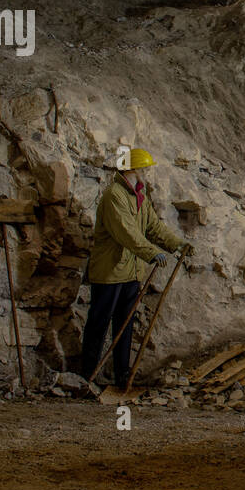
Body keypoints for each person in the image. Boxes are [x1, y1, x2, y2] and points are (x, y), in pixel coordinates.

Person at [79, 148, 193, 388]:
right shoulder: (114, 196)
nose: (146, 173)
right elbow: (126, 233)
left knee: (125, 325)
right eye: (143, 169)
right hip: (110, 273)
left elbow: (153, 226)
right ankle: (86, 375)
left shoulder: (139, 196)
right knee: (99, 324)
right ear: (131, 170)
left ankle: (122, 375)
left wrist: (176, 244)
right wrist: (152, 253)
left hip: (130, 272)